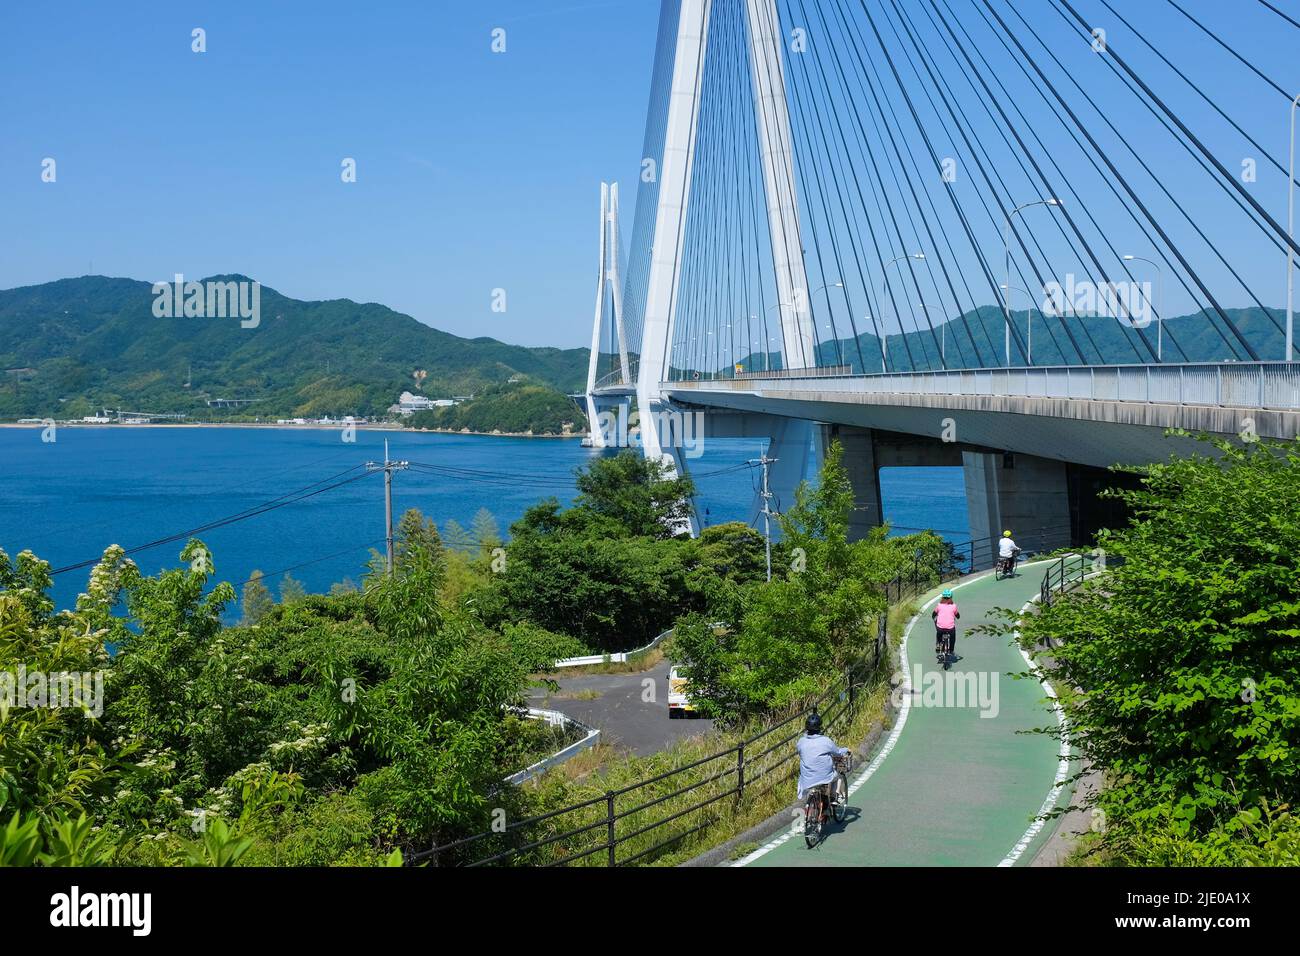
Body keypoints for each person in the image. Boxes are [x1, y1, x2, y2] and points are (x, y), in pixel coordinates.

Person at [796, 712, 850, 818]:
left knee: (811, 785)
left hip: (807, 778)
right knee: (837, 774)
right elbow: (838, 752)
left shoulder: (801, 741)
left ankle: (810, 811)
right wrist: (847, 749)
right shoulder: (826, 741)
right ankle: (834, 798)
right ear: (820, 728)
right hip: (824, 777)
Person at [932, 588, 960, 663]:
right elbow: (958, 616)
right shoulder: (954, 606)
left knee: (938, 632)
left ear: (942, 597)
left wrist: (934, 618)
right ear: (951, 598)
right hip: (950, 629)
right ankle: (951, 650)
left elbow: (933, 614)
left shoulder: (939, 605)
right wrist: (957, 616)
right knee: (953, 637)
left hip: (940, 628)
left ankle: (938, 644)